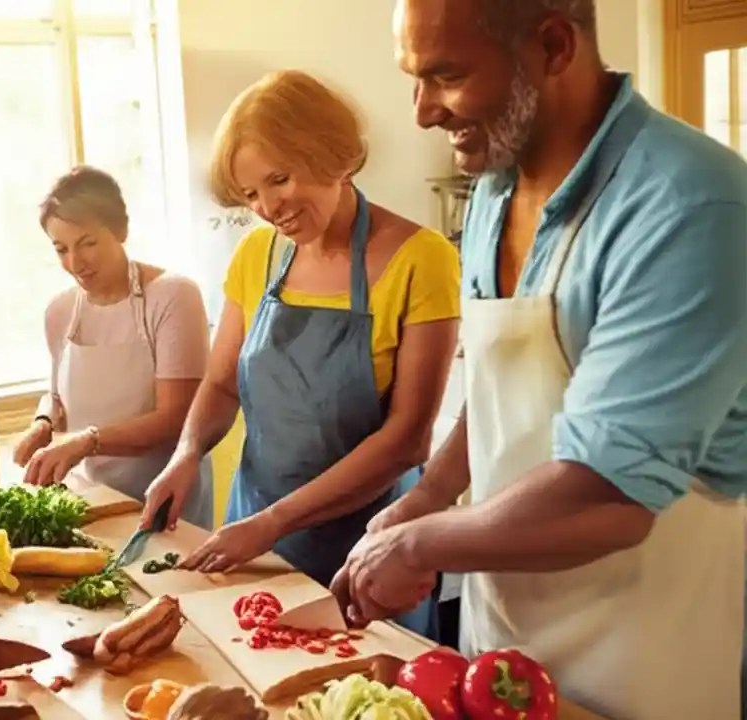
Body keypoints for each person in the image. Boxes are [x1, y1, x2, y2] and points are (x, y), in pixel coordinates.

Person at [333, 1, 747, 718]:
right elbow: (498, 391)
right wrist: (430, 494)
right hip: (501, 640)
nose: (423, 113)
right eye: (415, 78)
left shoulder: (691, 206)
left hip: (642, 655)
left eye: (448, 76)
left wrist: (421, 546)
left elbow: (608, 497)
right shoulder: (494, 187)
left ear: (553, 46)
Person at [139, 70, 460, 606]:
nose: (269, 207)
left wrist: (276, 521)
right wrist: (186, 454)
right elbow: (221, 385)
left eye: (280, 179)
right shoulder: (256, 255)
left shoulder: (421, 259)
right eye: (251, 194)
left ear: (333, 153)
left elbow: (408, 440)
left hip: (368, 550)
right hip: (251, 538)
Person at [14, 166, 213, 526]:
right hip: (91, 500)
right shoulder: (60, 311)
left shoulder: (172, 295)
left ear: (120, 230)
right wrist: (43, 422)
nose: (75, 263)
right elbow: (57, 396)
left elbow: (176, 418)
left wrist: (85, 441)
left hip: (165, 501)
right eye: (61, 249)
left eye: (87, 243)